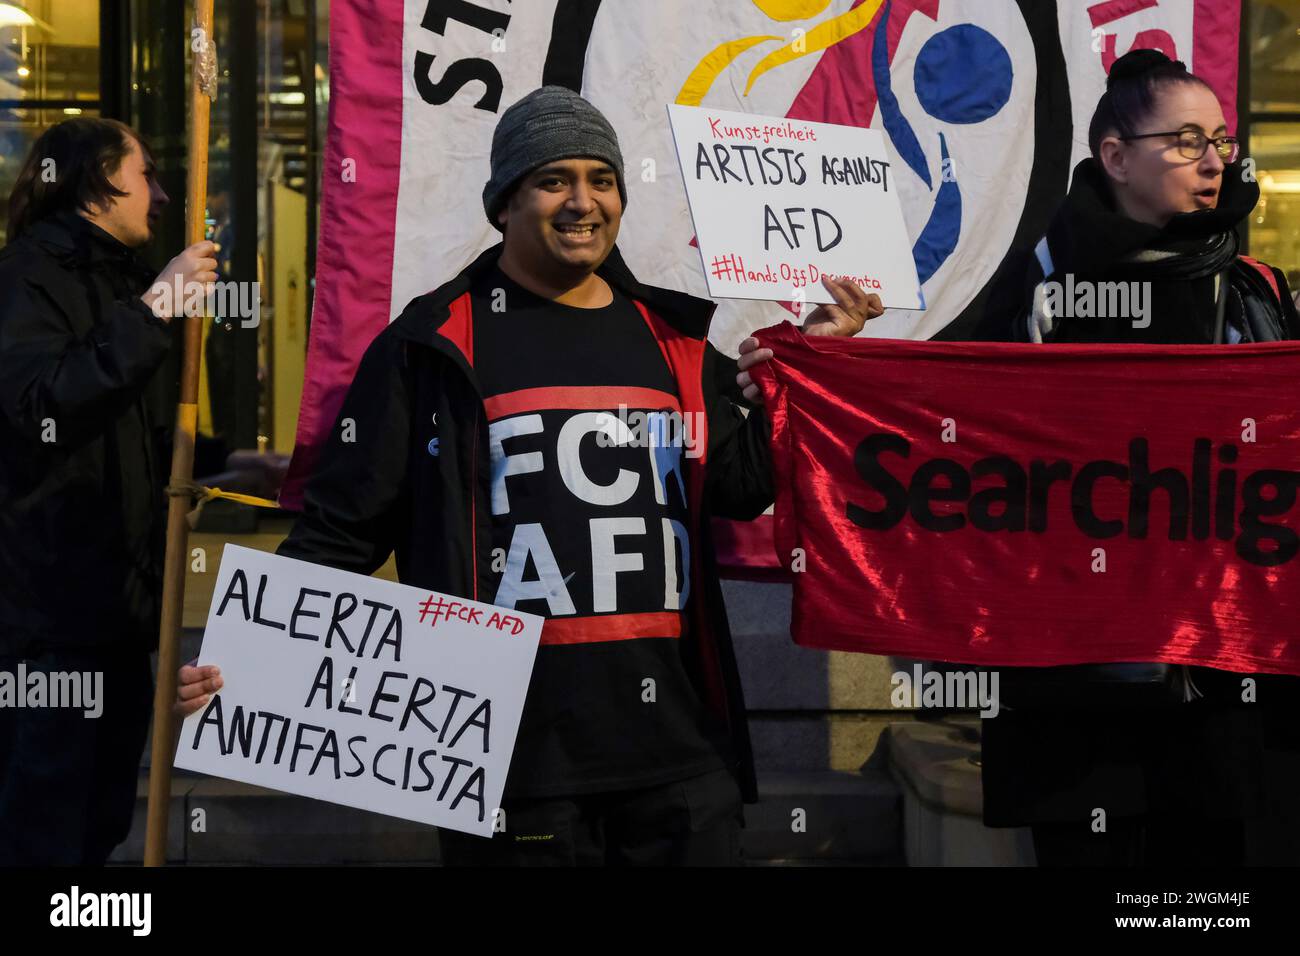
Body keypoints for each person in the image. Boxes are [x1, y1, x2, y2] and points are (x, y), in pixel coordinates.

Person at [176, 86, 882, 866]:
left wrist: (813, 372)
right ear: (503, 203)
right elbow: (345, 528)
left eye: (601, 179)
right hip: (508, 765)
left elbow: (744, 487)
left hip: (679, 757)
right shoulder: (429, 346)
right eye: (554, 180)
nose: (583, 202)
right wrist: (246, 651)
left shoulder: (677, 339)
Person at [980, 50, 1300, 867]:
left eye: (1221, 140)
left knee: (1204, 903)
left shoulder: (1257, 291)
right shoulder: (1031, 292)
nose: (1213, 161)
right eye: (1187, 139)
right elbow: (949, 445)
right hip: (1074, 681)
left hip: (1225, 681)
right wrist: (814, 363)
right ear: (1114, 157)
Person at [0, 118, 219, 864]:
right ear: (97, 179)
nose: (160, 194)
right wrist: (156, 309)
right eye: (146, 174)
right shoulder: (27, 277)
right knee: (44, 825)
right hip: (47, 622)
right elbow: (43, 407)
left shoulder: (114, 281)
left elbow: (126, 438)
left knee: (96, 822)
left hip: (117, 610)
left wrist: (224, 464)